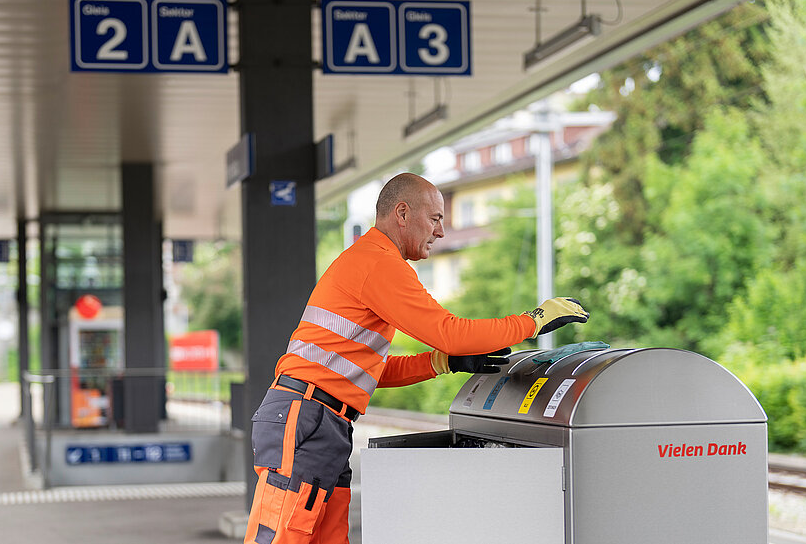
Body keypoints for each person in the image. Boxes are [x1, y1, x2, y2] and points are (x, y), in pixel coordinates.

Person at [243, 172, 588, 544]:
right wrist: (532, 321)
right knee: (282, 537)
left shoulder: (371, 262)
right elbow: (451, 332)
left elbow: (371, 371)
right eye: (436, 218)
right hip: (307, 417)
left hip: (321, 422)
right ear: (402, 213)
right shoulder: (378, 262)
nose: (441, 232)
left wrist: (443, 363)